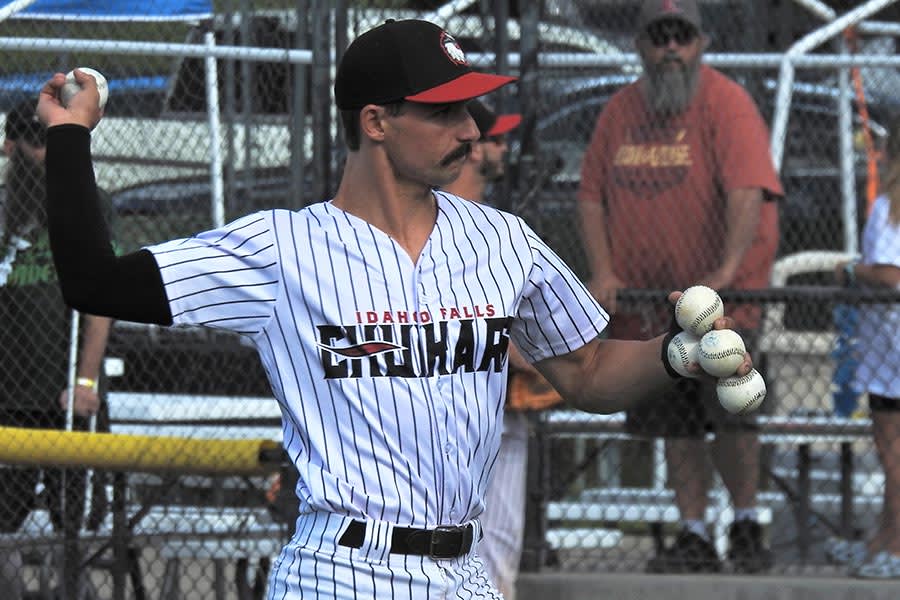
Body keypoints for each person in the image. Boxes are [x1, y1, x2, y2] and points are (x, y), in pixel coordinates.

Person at [38, 19, 754, 599]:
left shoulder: (501, 240)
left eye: (470, 108)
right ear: (376, 121)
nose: (471, 129)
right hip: (341, 572)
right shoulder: (281, 251)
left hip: (466, 574)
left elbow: (589, 369)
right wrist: (69, 136)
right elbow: (95, 282)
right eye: (445, 111)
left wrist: (674, 354)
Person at [577, 0, 782, 574]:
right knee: (675, 419)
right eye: (659, 36)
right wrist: (604, 272)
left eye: (682, 37)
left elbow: (747, 192)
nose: (671, 48)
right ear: (641, 46)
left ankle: (744, 522)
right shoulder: (620, 111)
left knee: (733, 412)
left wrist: (723, 272)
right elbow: (590, 194)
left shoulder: (726, 103)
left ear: (701, 43)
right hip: (648, 306)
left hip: (724, 303)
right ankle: (693, 532)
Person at [0, 100, 113, 599]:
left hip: (66, 391)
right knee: (5, 522)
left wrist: (85, 381)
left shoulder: (86, 200)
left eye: (51, 141)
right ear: (10, 145)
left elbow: (100, 302)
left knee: (77, 526)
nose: (43, 154)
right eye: (34, 141)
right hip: (10, 395)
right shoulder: (3, 210)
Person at [443, 99, 535, 599]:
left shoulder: (500, 230)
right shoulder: (449, 228)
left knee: (499, 561)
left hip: (505, 414)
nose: (505, 148)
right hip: (459, 417)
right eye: (496, 139)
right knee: (485, 559)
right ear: (471, 147)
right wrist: (536, 354)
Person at [825, 119, 900, 579]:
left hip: (892, 351)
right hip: (886, 349)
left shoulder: (890, 206)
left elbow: (892, 277)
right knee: (891, 450)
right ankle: (881, 539)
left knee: (893, 452)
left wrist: (852, 271)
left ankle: (895, 547)